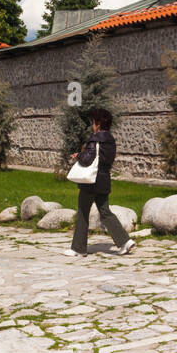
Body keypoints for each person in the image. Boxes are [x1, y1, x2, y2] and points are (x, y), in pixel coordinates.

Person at [64, 106, 134, 258]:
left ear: (98, 124)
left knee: (83, 213)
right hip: (104, 181)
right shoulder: (111, 142)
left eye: (93, 122)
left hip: (90, 183)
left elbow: (88, 159)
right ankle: (124, 241)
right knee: (106, 212)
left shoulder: (94, 140)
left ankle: (78, 248)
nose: (92, 125)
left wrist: (78, 156)